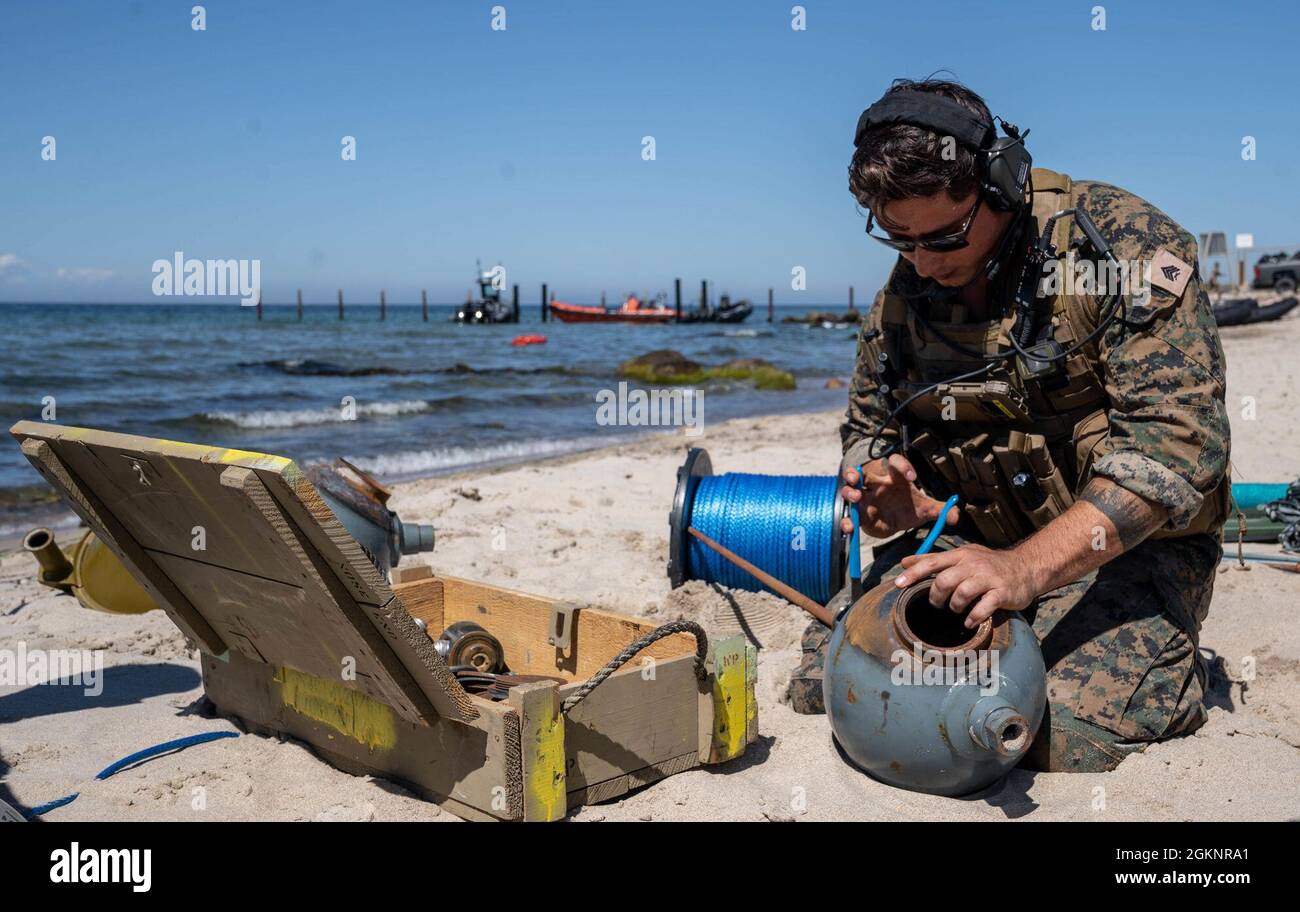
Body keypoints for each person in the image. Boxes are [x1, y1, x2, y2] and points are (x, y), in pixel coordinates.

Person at [787, 78, 1231, 773]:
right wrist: (881, 485)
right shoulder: (903, 298)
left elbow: (1175, 453)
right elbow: (869, 427)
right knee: (828, 687)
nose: (924, 263)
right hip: (969, 551)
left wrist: (1024, 569)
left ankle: (1172, 664)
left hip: (1124, 554)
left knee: (1050, 731)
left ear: (1003, 184)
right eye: (900, 240)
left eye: (945, 236)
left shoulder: (1124, 252)